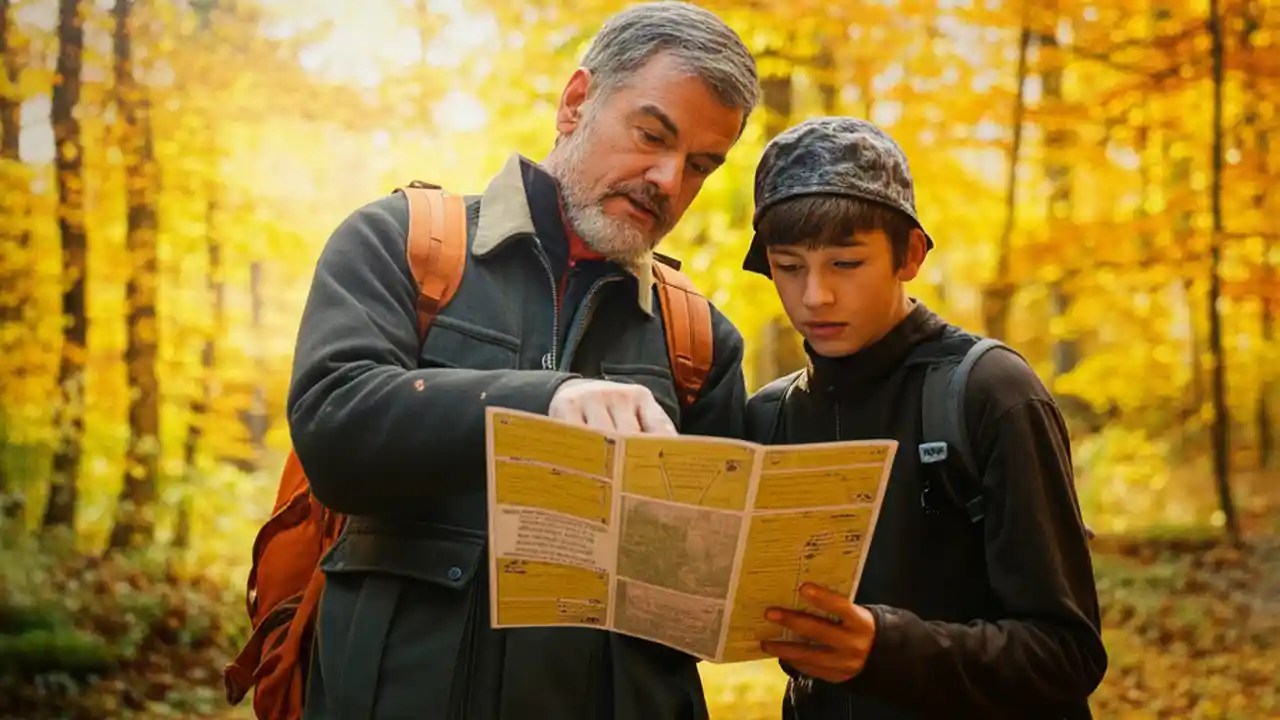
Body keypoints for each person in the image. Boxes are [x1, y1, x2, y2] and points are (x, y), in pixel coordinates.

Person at [284, 3, 759, 718]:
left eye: (700, 165)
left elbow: (710, 593)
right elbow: (332, 430)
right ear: (576, 103)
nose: (668, 180)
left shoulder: (699, 340)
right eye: (651, 135)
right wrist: (543, 404)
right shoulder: (401, 244)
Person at [742, 117, 1108, 719]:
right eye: (789, 266)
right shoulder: (771, 419)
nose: (814, 297)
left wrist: (885, 648)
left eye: (846, 264)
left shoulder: (990, 393)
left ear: (908, 255)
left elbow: (1066, 653)